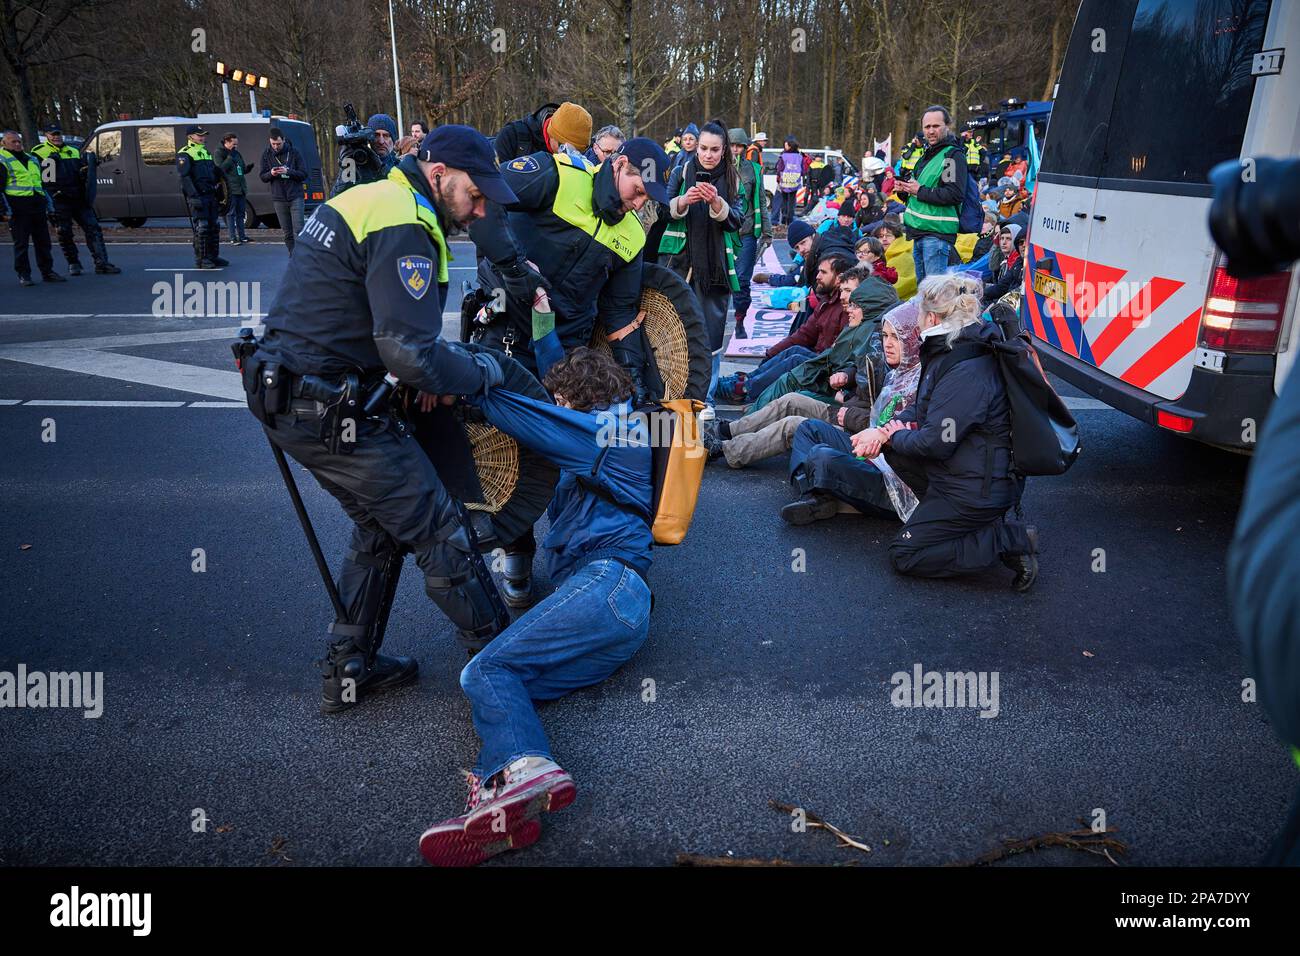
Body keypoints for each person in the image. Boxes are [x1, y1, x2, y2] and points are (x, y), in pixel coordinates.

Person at [245, 125, 518, 712]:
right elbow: (409, 351)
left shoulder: (372, 198)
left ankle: (347, 668)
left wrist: (413, 378)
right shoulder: (407, 222)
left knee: (383, 525)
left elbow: (365, 326)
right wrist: (480, 373)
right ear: (439, 174)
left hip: (290, 396)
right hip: (327, 406)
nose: (481, 209)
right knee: (437, 528)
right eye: (476, 194)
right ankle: (506, 667)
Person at [419, 339, 654, 867]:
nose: (557, 406)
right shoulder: (609, 430)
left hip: (607, 584)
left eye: (562, 398)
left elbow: (530, 415)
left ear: (580, 396)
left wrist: (462, 388)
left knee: (484, 671)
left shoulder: (615, 433)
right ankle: (500, 800)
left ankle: (527, 768)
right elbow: (547, 397)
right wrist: (544, 317)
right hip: (618, 615)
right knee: (509, 686)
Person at [470, 136, 670, 606]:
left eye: (649, 199)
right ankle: (515, 548)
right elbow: (483, 201)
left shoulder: (634, 235)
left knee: (568, 456)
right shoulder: (556, 175)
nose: (639, 203)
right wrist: (512, 267)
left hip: (564, 353)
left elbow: (620, 315)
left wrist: (642, 388)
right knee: (504, 448)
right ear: (619, 164)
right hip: (505, 327)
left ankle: (576, 545)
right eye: (638, 189)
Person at [874, 274, 1038, 589]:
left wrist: (894, 435)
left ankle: (1006, 540)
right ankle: (965, 524)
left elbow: (937, 442)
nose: (917, 321)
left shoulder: (966, 367)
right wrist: (886, 434)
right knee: (895, 448)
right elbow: (925, 410)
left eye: (918, 314)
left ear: (932, 317)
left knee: (904, 554)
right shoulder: (955, 346)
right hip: (968, 473)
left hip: (978, 487)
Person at [704, 276, 899, 470]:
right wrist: (848, 376)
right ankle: (726, 430)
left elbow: (883, 420)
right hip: (847, 411)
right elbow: (857, 369)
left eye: (855, 304)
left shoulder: (883, 351)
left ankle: (724, 449)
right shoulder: (871, 338)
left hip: (854, 426)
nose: (847, 306)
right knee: (791, 398)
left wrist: (847, 408)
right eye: (885, 336)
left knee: (792, 424)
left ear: (870, 308)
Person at [783, 297, 923, 524]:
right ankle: (814, 494)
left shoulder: (925, 378)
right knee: (808, 428)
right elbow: (875, 419)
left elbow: (907, 438)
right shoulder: (896, 372)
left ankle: (817, 494)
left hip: (893, 476)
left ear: (914, 338)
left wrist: (854, 420)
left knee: (821, 455)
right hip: (871, 452)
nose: (887, 344)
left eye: (896, 337)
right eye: (885, 336)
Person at [659, 120, 744, 413]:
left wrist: (718, 204)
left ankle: (704, 399)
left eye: (715, 150)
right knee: (676, 332)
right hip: (681, 264)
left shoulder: (734, 178)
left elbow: (738, 220)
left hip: (717, 269)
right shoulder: (682, 168)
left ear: (724, 151)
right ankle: (675, 392)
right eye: (703, 148)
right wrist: (682, 201)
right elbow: (663, 209)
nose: (708, 155)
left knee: (711, 336)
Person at [32, 124, 119, 275]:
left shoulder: (73, 150)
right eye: (53, 134)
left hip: (79, 198)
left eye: (58, 133)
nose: (56, 136)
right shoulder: (41, 152)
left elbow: (81, 173)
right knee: (65, 232)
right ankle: (73, 263)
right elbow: (47, 180)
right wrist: (53, 197)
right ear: (46, 135)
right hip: (59, 199)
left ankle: (102, 263)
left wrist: (88, 167)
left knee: (93, 229)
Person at [896, 105, 967, 284]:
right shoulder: (926, 155)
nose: (931, 131)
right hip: (919, 234)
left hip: (936, 236)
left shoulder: (951, 155)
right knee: (924, 296)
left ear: (947, 126)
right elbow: (919, 194)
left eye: (936, 126)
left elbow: (954, 194)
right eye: (927, 127)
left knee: (935, 297)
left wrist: (919, 190)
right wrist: (905, 191)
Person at [1, 129, 64, 286]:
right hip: (18, 207)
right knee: (21, 243)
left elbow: (40, 185)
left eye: (19, 141)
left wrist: (49, 206)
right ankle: (24, 274)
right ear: (4, 143)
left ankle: (47, 271)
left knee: (43, 242)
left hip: (37, 205)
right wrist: (4, 210)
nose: (17, 144)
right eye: (13, 142)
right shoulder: (2, 160)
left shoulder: (31, 159)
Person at [729, 127, 770, 335]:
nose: (735, 150)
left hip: (746, 232)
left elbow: (761, 201)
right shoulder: (718, 168)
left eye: (739, 146)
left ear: (745, 148)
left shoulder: (753, 169)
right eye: (732, 146)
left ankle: (739, 320)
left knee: (743, 280)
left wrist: (767, 230)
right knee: (722, 279)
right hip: (724, 233)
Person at [176, 124, 227, 270]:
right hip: (198, 196)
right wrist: (193, 196)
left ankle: (213, 256)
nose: (203, 137)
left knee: (213, 226)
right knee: (202, 227)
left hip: (210, 195)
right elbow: (184, 177)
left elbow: (213, 171)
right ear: (190, 136)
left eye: (203, 135)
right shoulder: (184, 153)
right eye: (200, 135)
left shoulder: (204, 151)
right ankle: (202, 259)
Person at [260, 127, 307, 253]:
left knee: (299, 230)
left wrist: (288, 172)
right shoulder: (266, 154)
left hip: (295, 196)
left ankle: (303, 256)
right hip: (279, 198)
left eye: (278, 144)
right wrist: (271, 173)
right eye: (273, 144)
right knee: (287, 233)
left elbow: (304, 174)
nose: (276, 146)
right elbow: (262, 177)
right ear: (270, 141)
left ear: (284, 140)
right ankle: (293, 256)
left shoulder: (294, 153)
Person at [214, 132, 251, 245]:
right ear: (227, 142)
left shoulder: (236, 153)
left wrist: (247, 169)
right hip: (229, 189)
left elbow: (241, 168)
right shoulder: (219, 153)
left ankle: (242, 236)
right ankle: (232, 237)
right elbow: (220, 169)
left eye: (236, 144)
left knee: (241, 213)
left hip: (240, 188)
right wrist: (230, 158)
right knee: (231, 214)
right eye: (234, 144)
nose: (236, 146)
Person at [984, 226, 1026, 301]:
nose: (1004, 242)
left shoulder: (1015, 260)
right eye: (1001, 238)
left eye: (1008, 239)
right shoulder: (1014, 261)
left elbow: (1002, 288)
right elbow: (993, 269)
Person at [773, 138, 804, 227]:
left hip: (785, 180)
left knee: (784, 200)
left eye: (786, 145)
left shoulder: (783, 156)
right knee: (792, 201)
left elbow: (779, 169)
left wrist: (779, 177)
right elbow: (802, 170)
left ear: (790, 146)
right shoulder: (799, 156)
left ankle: (784, 219)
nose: (785, 146)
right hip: (795, 181)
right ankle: (790, 219)